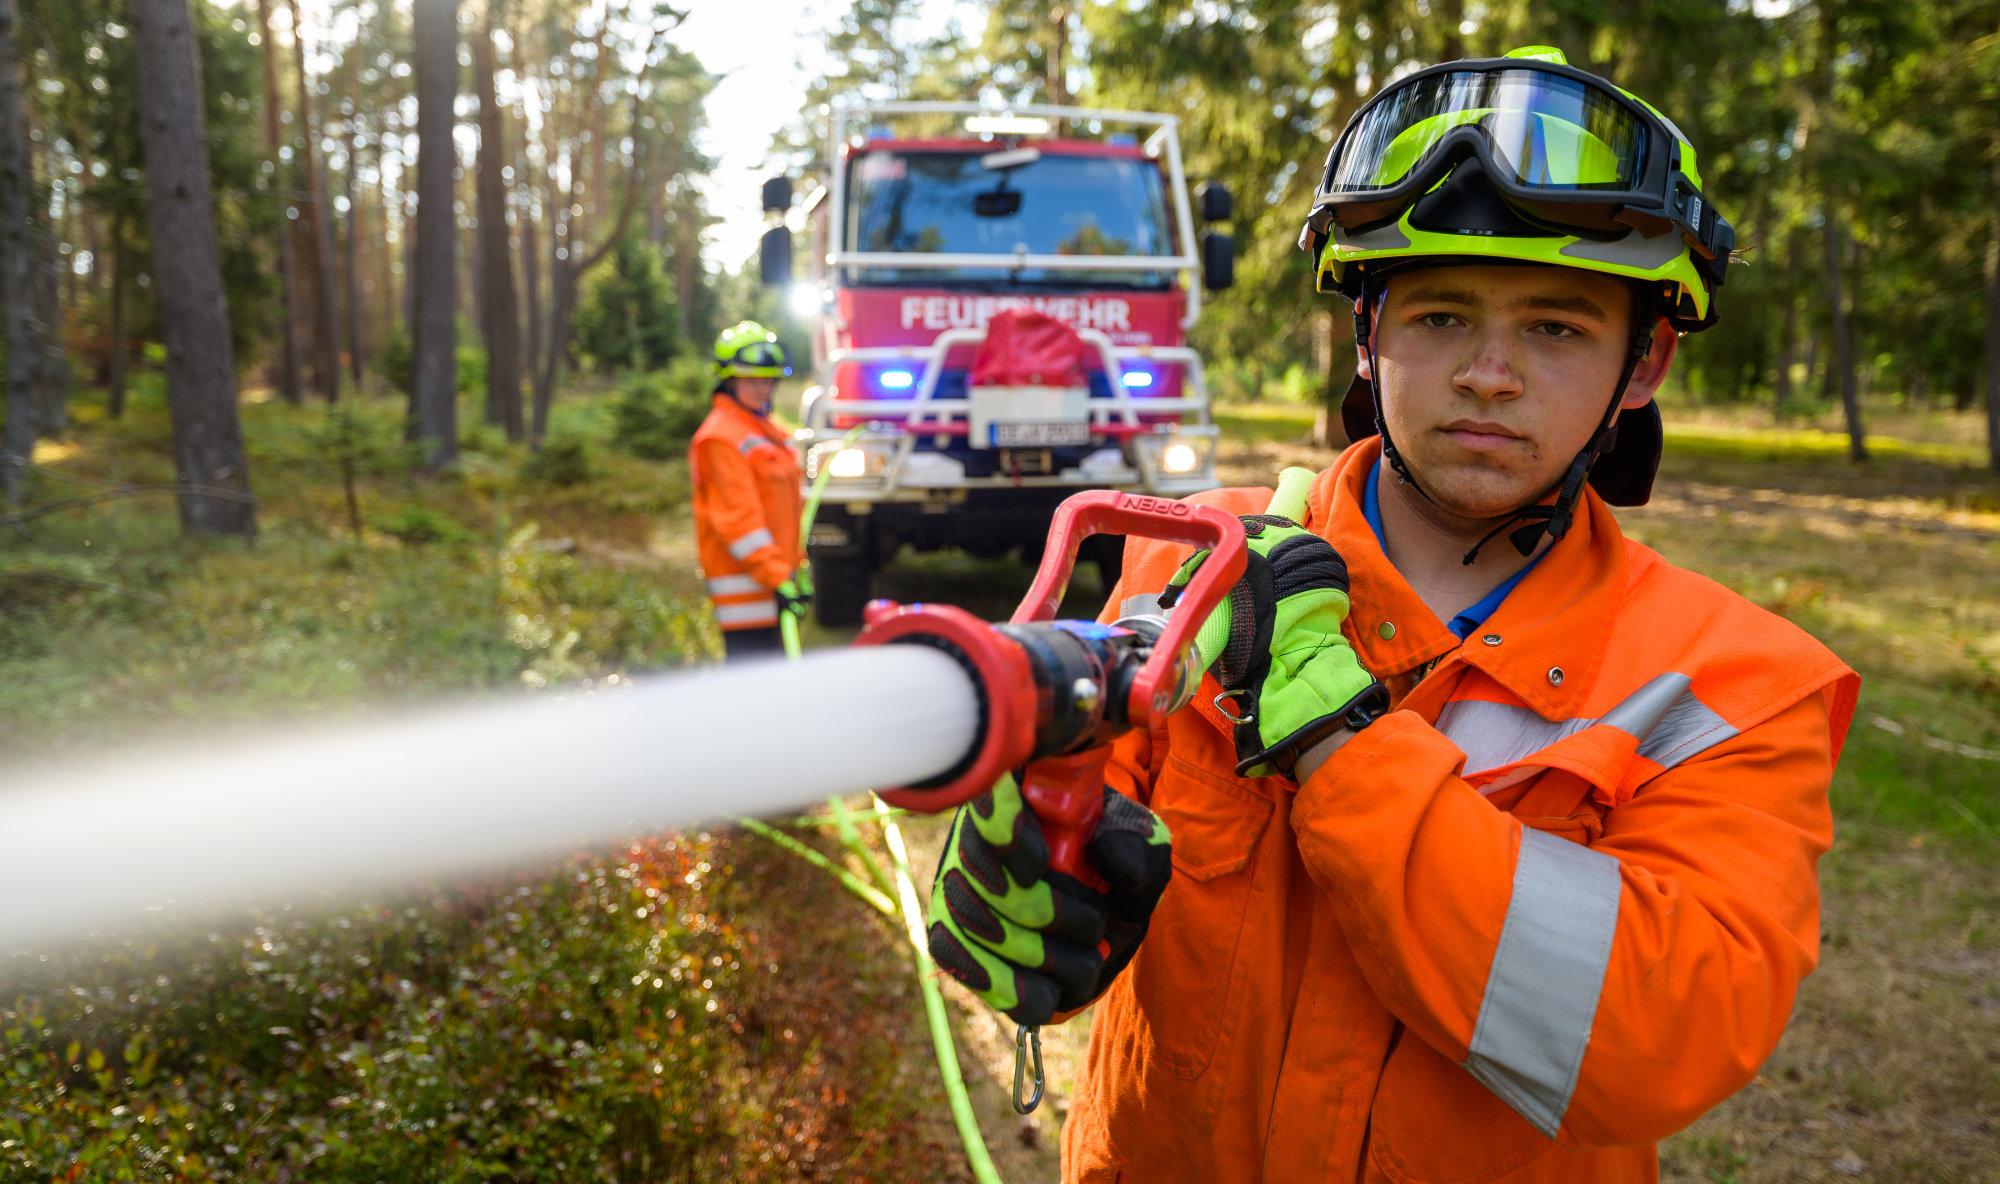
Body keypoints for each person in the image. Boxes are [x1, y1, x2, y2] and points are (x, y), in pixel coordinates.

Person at [925, 47, 1860, 1182]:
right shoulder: (1193, 556)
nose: (1488, 374)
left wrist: (1336, 739)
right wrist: (1025, 860)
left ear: (1644, 361)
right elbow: (1073, 848)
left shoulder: (1730, 687)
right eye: (1441, 315)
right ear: (1367, 334)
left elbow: (1653, 1040)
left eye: (1557, 328)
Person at [690, 321, 806, 662]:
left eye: (768, 380)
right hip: (747, 594)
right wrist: (778, 576)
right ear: (730, 381)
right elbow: (738, 523)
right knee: (755, 686)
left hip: (777, 583)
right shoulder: (720, 438)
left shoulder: (770, 431)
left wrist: (798, 568)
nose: (761, 389)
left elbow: (784, 513)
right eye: (751, 380)